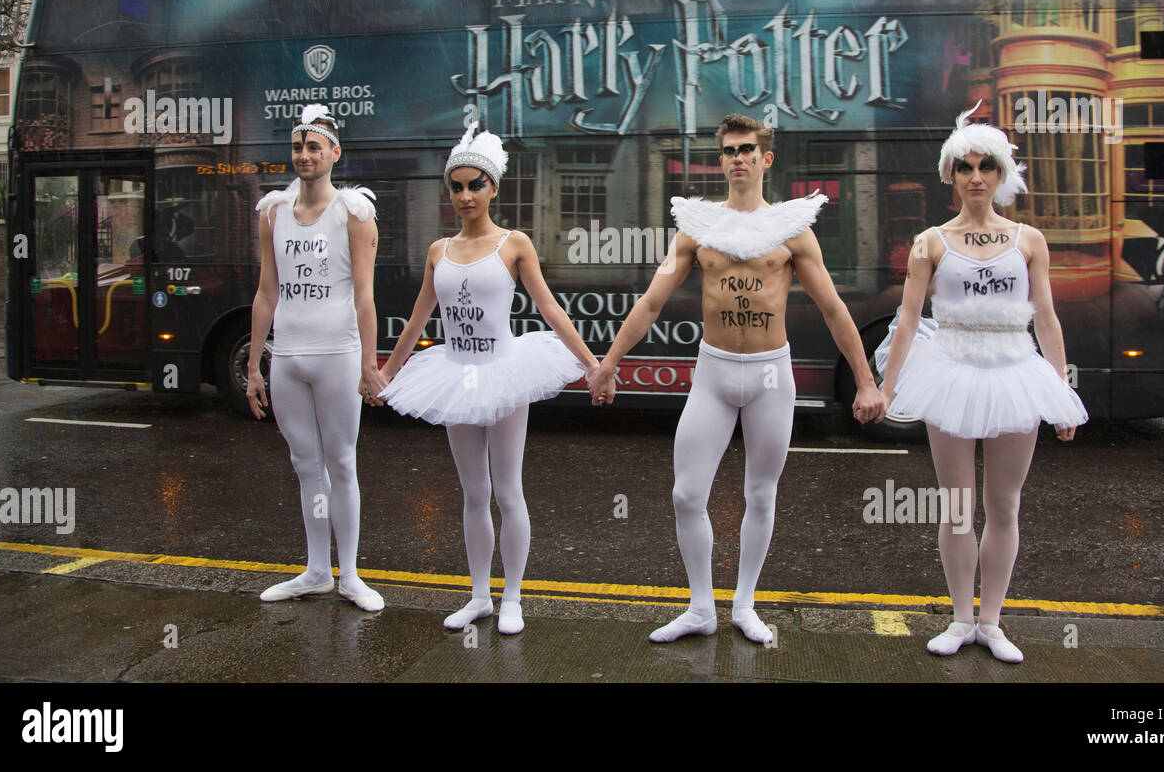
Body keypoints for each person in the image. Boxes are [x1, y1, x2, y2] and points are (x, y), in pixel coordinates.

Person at [589, 113, 886, 643]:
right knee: (686, 494)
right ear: (720, 159)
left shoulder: (792, 230)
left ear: (766, 160)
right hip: (714, 373)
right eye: (729, 150)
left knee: (762, 494)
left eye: (748, 150)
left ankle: (745, 604)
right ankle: (701, 608)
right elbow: (652, 301)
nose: (738, 158)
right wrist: (608, 362)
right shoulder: (699, 229)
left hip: (770, 375)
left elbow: (835, 310)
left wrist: (866, 381)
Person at [875, 103, 1088, 663]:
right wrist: (886, 388)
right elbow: (907, 320)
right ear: (951, 175)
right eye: (964, 167)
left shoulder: (1029, 240)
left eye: (985, 167)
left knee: (1005, 505)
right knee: (955, 505)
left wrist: (1064, 393)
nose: (975, 177)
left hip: (1016, 373)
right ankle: (960, 618)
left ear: (1000, 175)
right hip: (949, 373)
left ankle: (992, 622)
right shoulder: (931, 243)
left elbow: (1046, 319)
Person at [377, 125, 598, 636]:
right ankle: (479, 595)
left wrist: (591, 363)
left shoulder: (514, 244)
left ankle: (513, 596)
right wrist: (384, 376)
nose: (465, 195)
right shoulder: (439, 251)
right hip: (455, 373)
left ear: (493, 188)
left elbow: (549, 309)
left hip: (503, 372)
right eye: (456, 186)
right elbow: (416, 323)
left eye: (475, 185)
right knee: (473, 492)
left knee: (508, 491)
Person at [247, 104, 389, 612]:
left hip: (338, 354)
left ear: (334, 153)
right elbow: (267, 291)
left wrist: (370, 366)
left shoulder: (354, 212)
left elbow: (365, 296)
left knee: (342, 463)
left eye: (314, 147)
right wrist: (252, 367)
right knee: (306, 465)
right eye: (297, 147)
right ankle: (315, 571)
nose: (304, 156)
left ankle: (350, 574)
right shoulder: (272, 212)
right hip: (286, 356)